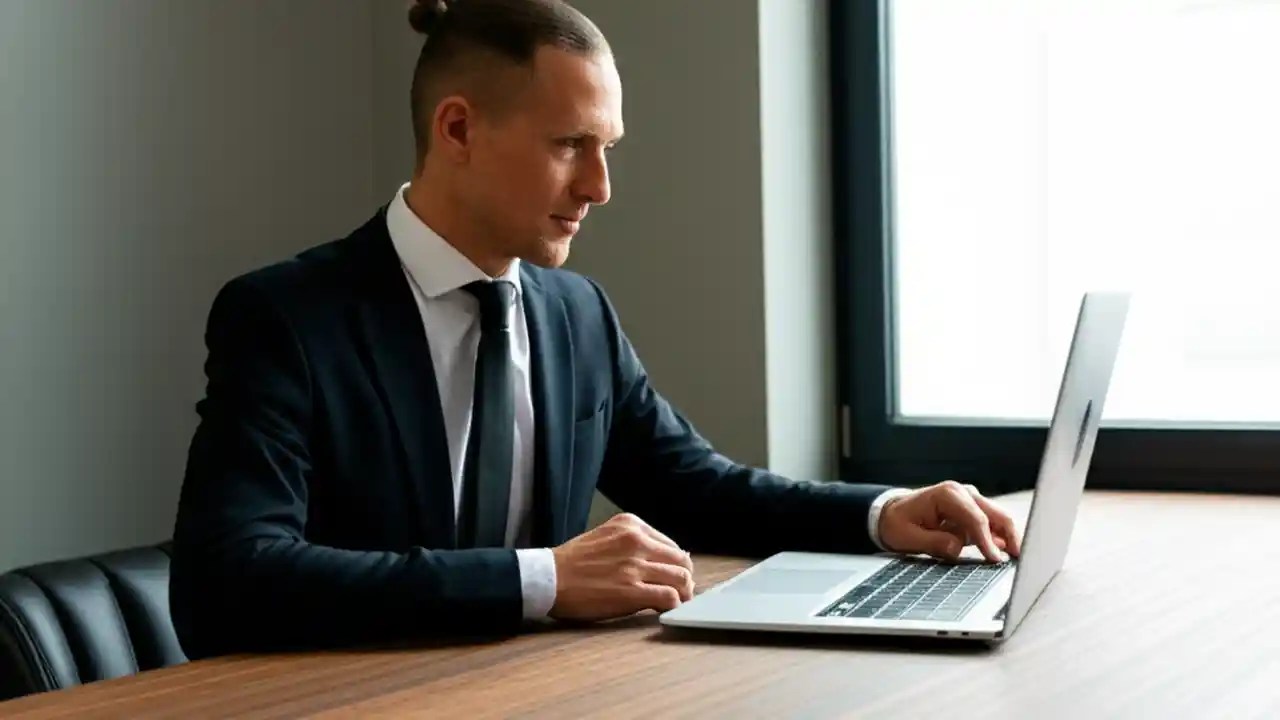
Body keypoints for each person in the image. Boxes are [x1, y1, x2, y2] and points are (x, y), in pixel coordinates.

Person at [170, 0, 1021, 659]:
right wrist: (545, 578)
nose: (600, 186)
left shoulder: (576, 313)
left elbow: (697, 488)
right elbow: (228, 578)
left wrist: (884, 514)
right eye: (572, 144)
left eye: (606, 146)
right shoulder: (284, 317)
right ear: (457, 128)